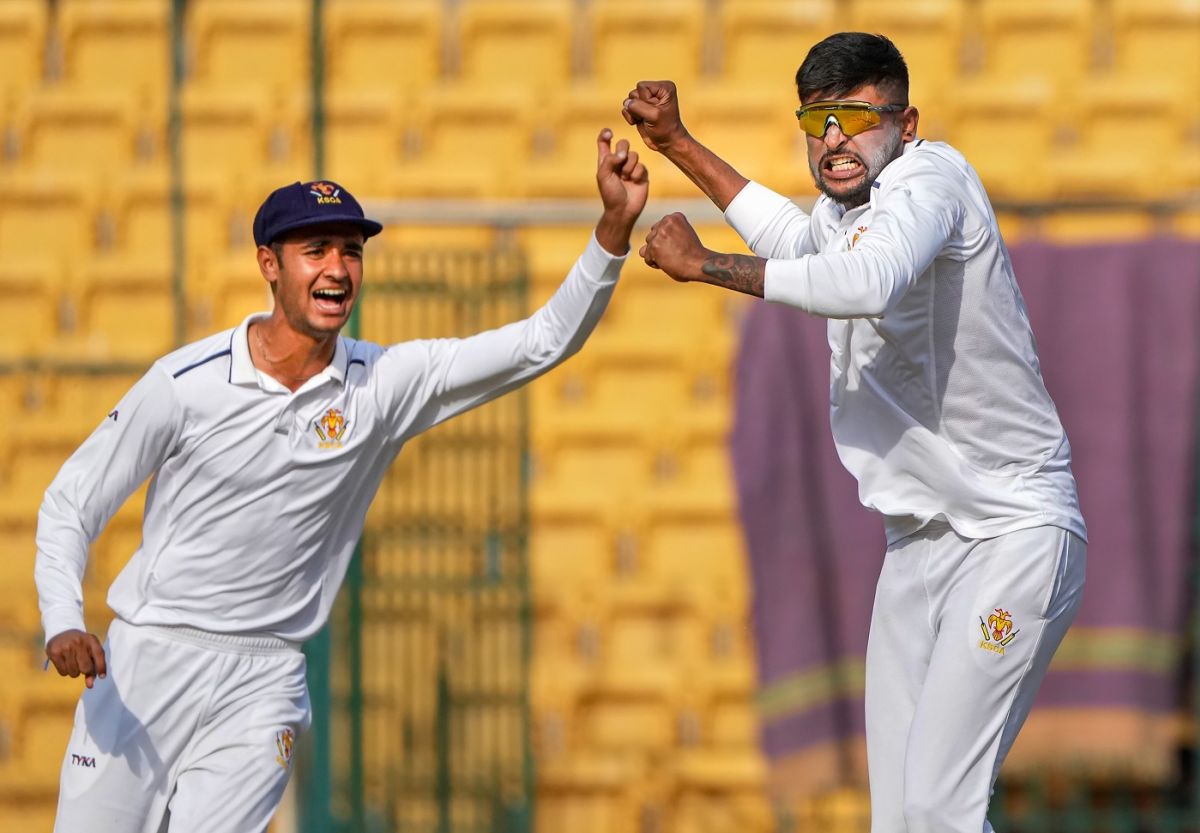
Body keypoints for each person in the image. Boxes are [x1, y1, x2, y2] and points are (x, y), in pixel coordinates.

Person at [35, 129, 647, 832]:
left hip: (263, 681)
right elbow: (71, 500)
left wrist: (611, 231)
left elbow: (540, 342)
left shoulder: (380, 384)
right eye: (315, 250)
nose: (338, 268)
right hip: (144, 667)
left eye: (351, 251)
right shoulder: (184, 384)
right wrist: (63, 619)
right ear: (269, 263)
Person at [623, 32, 1086, 833]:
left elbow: (862, 283)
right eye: (817, 120)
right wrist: (677, 145)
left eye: (854, 116)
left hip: (1012, 535)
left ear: (907, 123)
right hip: (918, 547)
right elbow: (800, 243)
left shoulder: (930, 179)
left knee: (941, 808)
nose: (833, 138)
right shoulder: (853, 212)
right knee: (899, 821)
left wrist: (706, 266)